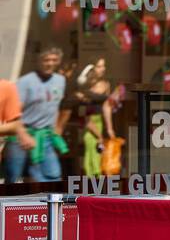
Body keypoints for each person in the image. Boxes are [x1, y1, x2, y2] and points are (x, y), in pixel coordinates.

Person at [4, 46, 69, 183]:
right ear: (39, 61)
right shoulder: (25, 81)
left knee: (53, 176)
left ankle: (48, 205)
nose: (50, 63)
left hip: (45, 136)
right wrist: (23, 134)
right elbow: (14, 111)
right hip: (20, 136)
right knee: (14, 178)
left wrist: (57, 128)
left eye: (54, 60)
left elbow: (58, 106)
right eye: (46, 60)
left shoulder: (60, 81)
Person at [72, 58, 117, 177]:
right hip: (92, 129)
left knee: (100, 157)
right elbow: (86, 119)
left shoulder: (106, 84)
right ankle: (92, 190)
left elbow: (106, 107)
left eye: (104, 66)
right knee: (93, 160)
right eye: (99, 66)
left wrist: (109, 129)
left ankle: (100, 189)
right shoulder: (84, 90)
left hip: (100, 124)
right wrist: (99, 135)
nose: (103, 69)